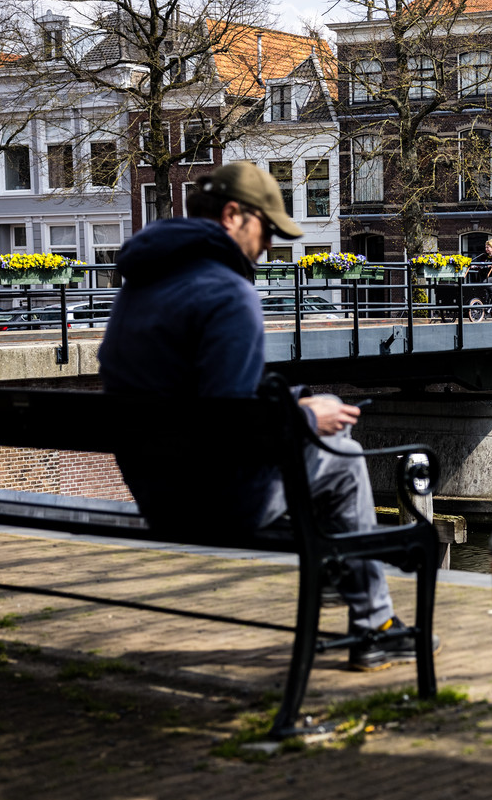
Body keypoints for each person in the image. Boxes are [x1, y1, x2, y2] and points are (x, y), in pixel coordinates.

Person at [98, 160, 437, 672]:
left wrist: (292, 404)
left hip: (156, 494)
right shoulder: (228, 291)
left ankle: (339, 573)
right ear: (234, 216)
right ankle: (374, 625)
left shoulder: (142, 285)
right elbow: (229, 424)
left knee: (314, 448)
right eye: (268, 230)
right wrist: (307, 420)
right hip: (212, 506)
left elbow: (197, 393)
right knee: (341, 456)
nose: (270, 248)